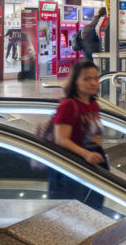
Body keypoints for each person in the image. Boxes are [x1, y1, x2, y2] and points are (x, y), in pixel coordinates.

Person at [46, 60, 110, 210]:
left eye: (96, 78)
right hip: (72, 168)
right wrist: (86, 153)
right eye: (86, 79)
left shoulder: (93, 105)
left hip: (91, 164)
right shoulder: (68, 105)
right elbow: (61, 139)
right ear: (75, 81)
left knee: (92, 209)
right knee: (73, 212)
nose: (93, 83)